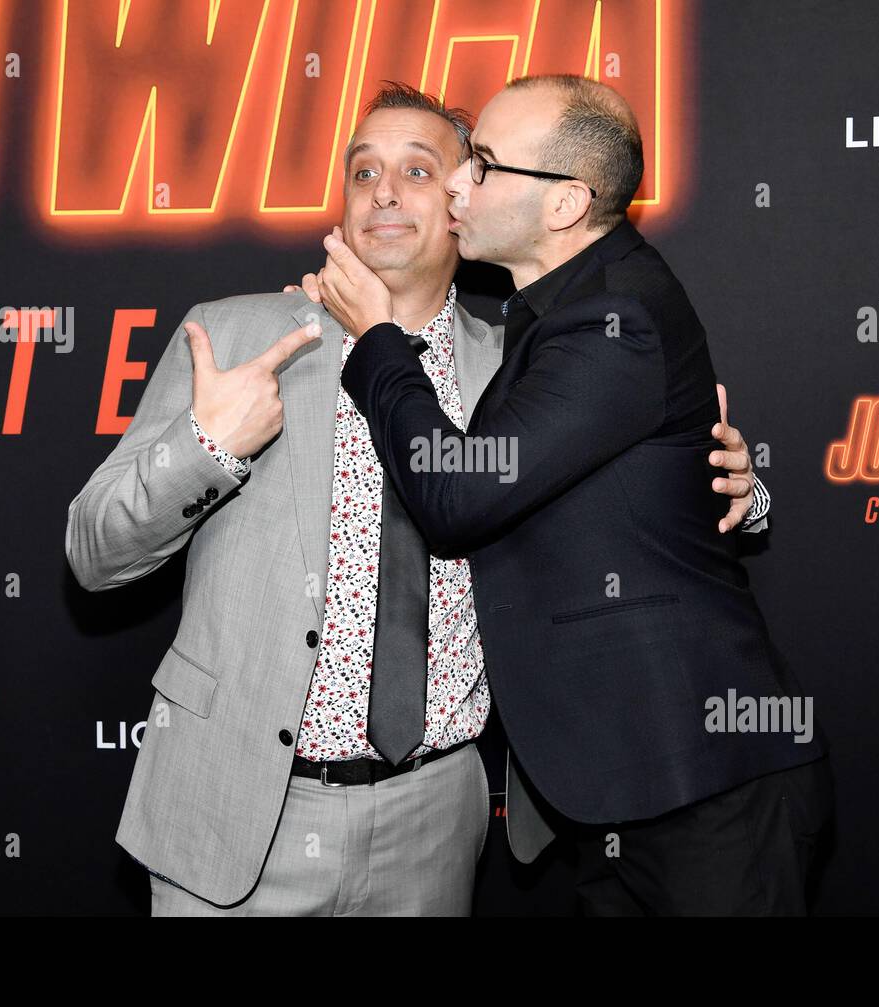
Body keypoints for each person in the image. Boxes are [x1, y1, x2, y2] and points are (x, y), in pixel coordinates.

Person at [66, 83, 767, 916]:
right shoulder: (234, 336)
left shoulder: (526, 361)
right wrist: (205, 448)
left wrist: (740, 486)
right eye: (362, 171)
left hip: (434, 822)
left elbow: (628, 489)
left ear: (466, 200)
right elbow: (94, 551)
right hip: (238, 813)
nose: (384, 191)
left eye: (420, 169)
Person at [310, 74, 833, 915]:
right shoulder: (560, 308)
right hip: (624, 784)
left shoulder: (612, 316)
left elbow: (454, 492)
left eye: (480, 164)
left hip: (705, 786)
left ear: (563, 206)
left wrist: (377, 340)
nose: (454, 182)